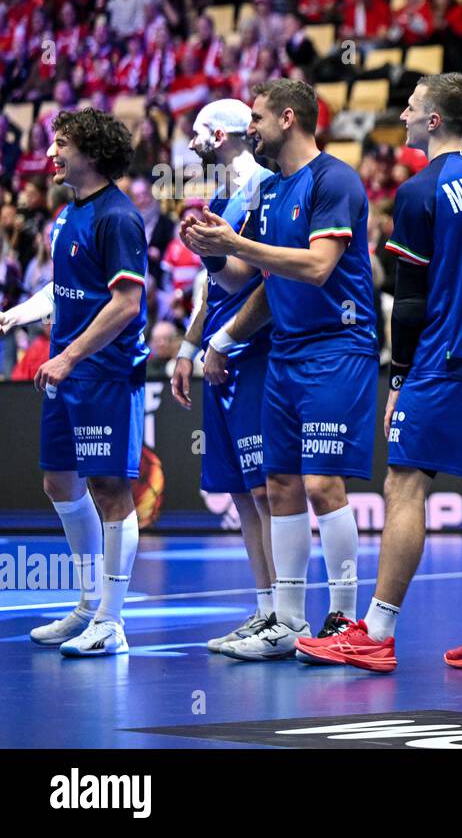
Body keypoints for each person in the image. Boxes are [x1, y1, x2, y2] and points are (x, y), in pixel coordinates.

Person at [295, 73, 462, 673]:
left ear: (433, 121)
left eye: (411, 106)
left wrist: (398, 378)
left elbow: (412, 297)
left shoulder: (422, 191)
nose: (401, 114)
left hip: (447, 357)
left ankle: (375, 632)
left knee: (405, 485)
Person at [183, 78, 378, 660]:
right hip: (287, 351)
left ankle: (343, 618)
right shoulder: (270, 193)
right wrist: (215, 262)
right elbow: (259, 284)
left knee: (322, 483)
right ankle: (288, 621)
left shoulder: (333, 179)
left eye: (259, 119)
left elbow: (317, 267)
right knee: (281, 484)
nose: (252, 129)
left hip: (337, 347)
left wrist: (238, 246)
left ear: (289, 118)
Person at [5, 109, 147, 655]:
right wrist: (23, 312)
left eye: (61, 144)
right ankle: (89, 604)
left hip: (104, 372)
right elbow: (65, 288)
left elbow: (126, 304)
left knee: (111, 490)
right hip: (68, 371)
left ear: (91, 151)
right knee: (59, 483)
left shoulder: (118, 217)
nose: (51, 154)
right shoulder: (68, 214)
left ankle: (111, 621)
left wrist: (67, 358)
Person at [168, 99, 276, 653]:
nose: (188, 142)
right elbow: (212, 286)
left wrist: (224, 339)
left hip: (251, 352)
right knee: (240, 493)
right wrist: (188, 346)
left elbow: (255, 282)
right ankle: (263, 610)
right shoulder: (219, 195)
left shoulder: (261, 186)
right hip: (217, 355)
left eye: (195, 132)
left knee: (264, 489)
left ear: (218, 133)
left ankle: (287, 614)